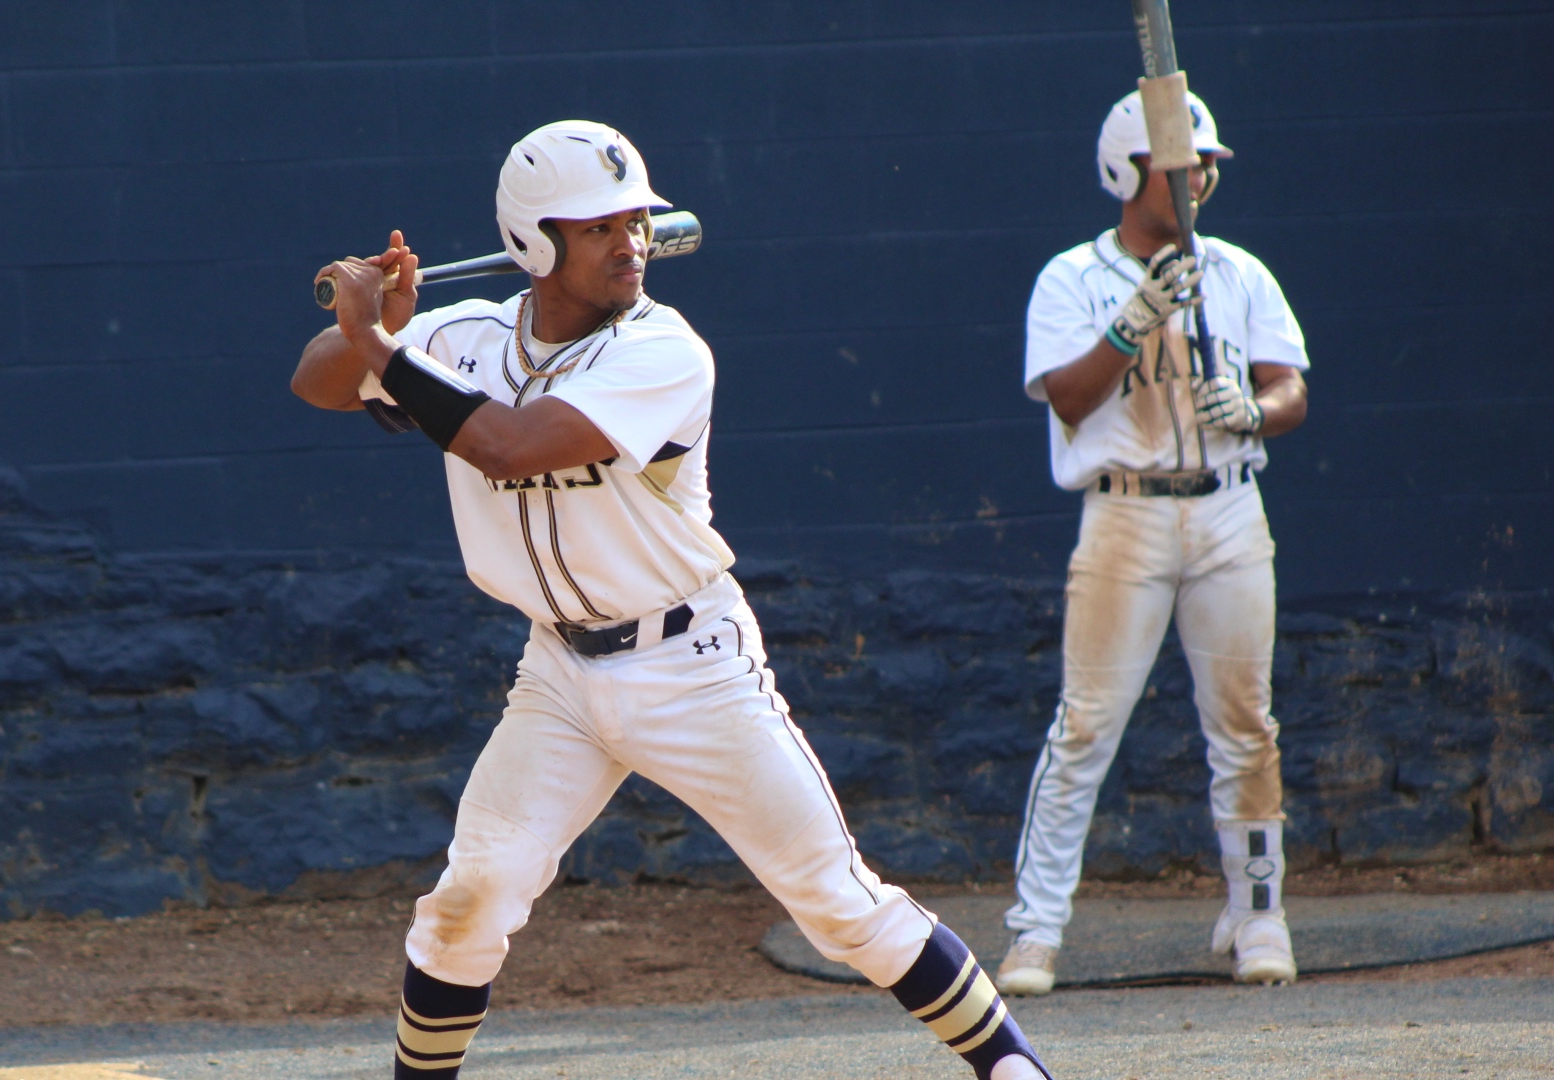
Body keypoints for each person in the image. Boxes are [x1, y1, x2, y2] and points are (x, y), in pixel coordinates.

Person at [294, 120, 1056, 1080]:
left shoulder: (665, 350)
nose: (633, 242)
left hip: (692, 664)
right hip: (559, 673)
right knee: (471, 897)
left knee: (836, 902)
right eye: (599, 226)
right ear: (535, 242)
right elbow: (317, 380)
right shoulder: (462, 338)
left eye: (636, 220)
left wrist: (379, 340)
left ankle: (1015, 1069)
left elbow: (508, 445)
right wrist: (386, 325)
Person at [994, 89, 1310, 997]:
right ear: (1127, 173)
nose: (1200, 177)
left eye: (1206, 164)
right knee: (1084, 728)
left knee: (1246, 726)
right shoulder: (1073, 277)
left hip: (1227, 510)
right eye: (1182, 164)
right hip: (1124, 513)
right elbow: (1066, 396)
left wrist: (1255, 410)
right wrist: (1131, 322)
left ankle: (1258, 915)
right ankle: (1035, 934)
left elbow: (1291, 388)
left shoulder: (1238, 272)